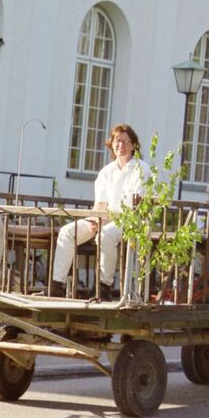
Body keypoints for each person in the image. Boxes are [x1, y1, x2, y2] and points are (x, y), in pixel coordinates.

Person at [47, 124, 148, 301]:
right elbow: (100, 203)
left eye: (125, 141)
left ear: (133, 145)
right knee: (67, 232)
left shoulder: (141, 170)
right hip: (104, 218)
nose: (121, 145)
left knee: (105, 236)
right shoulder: (106, 172)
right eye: (117, 141)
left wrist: (105, 220)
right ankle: (56, 286)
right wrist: (95, 218)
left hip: (130, 221)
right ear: (111, 145)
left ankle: (103, 287)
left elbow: (134, 206)